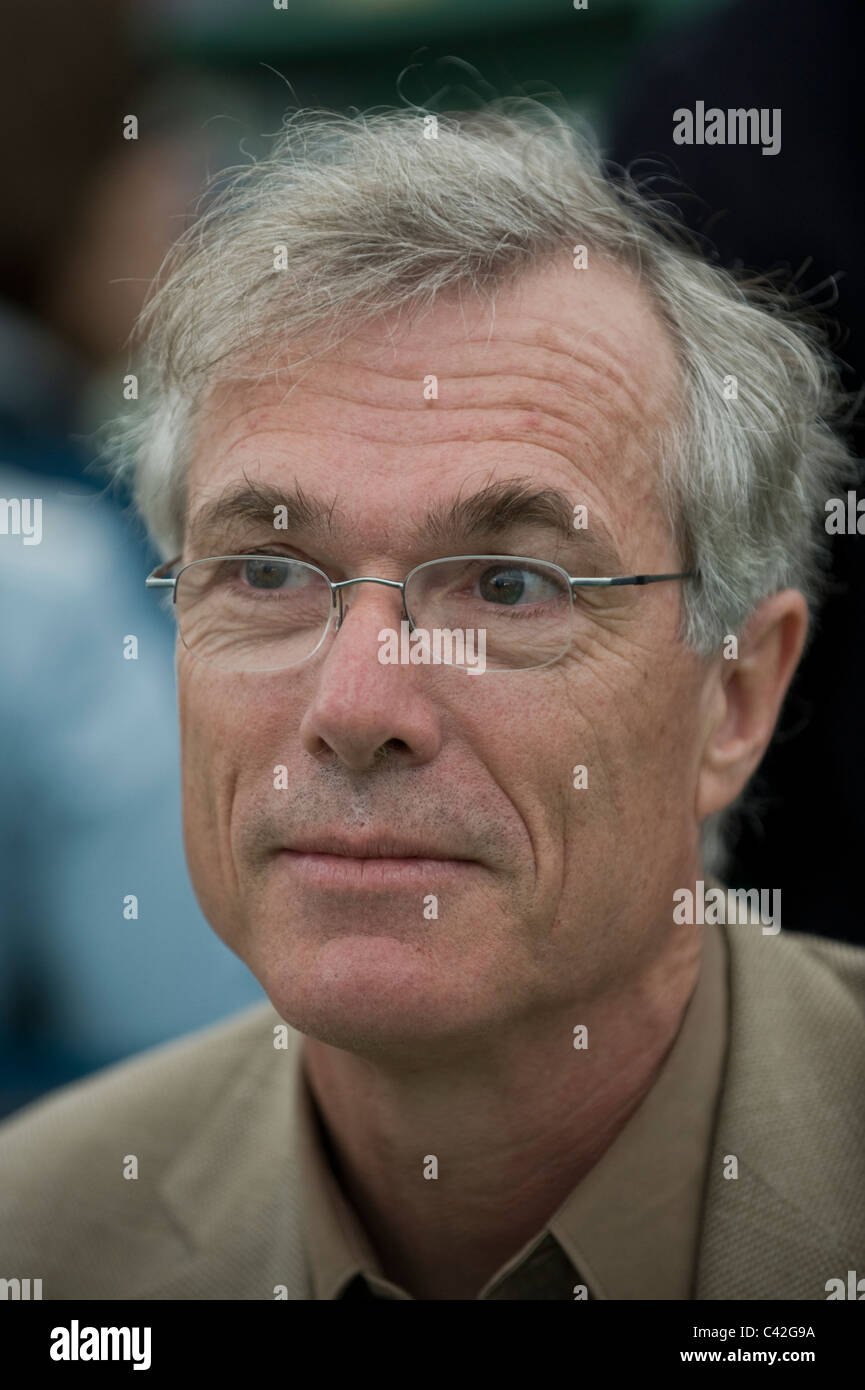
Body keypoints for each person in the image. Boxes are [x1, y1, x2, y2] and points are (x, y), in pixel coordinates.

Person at [0, 105, 863, 1301]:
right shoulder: (43, 1240)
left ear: (736, 694)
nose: (356, 705)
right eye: (266, 574)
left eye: (509, 586)